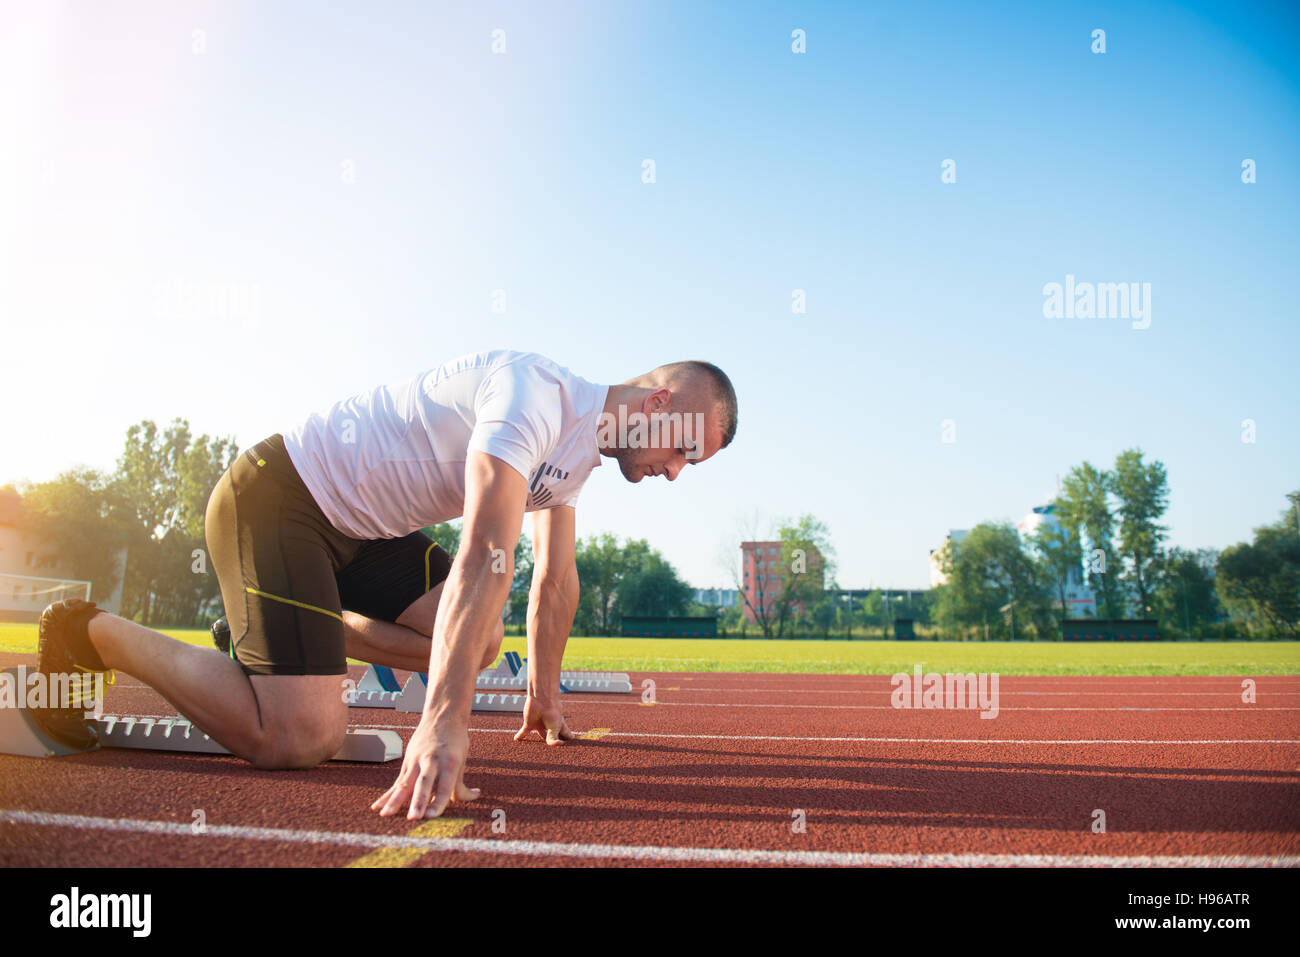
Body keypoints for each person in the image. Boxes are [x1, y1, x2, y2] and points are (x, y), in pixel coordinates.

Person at [34, 349, 737, 819]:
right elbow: (484, 552)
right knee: (299, 737)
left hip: (366, 535)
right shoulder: (536, 396)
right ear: (659, 403)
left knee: (482, 639)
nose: (677, 470)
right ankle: (87, 631)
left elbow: (556, 580)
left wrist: (543, 695)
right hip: (284, 496)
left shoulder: (579, 461)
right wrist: (443, 719)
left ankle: (292, 631)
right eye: (686, 450)